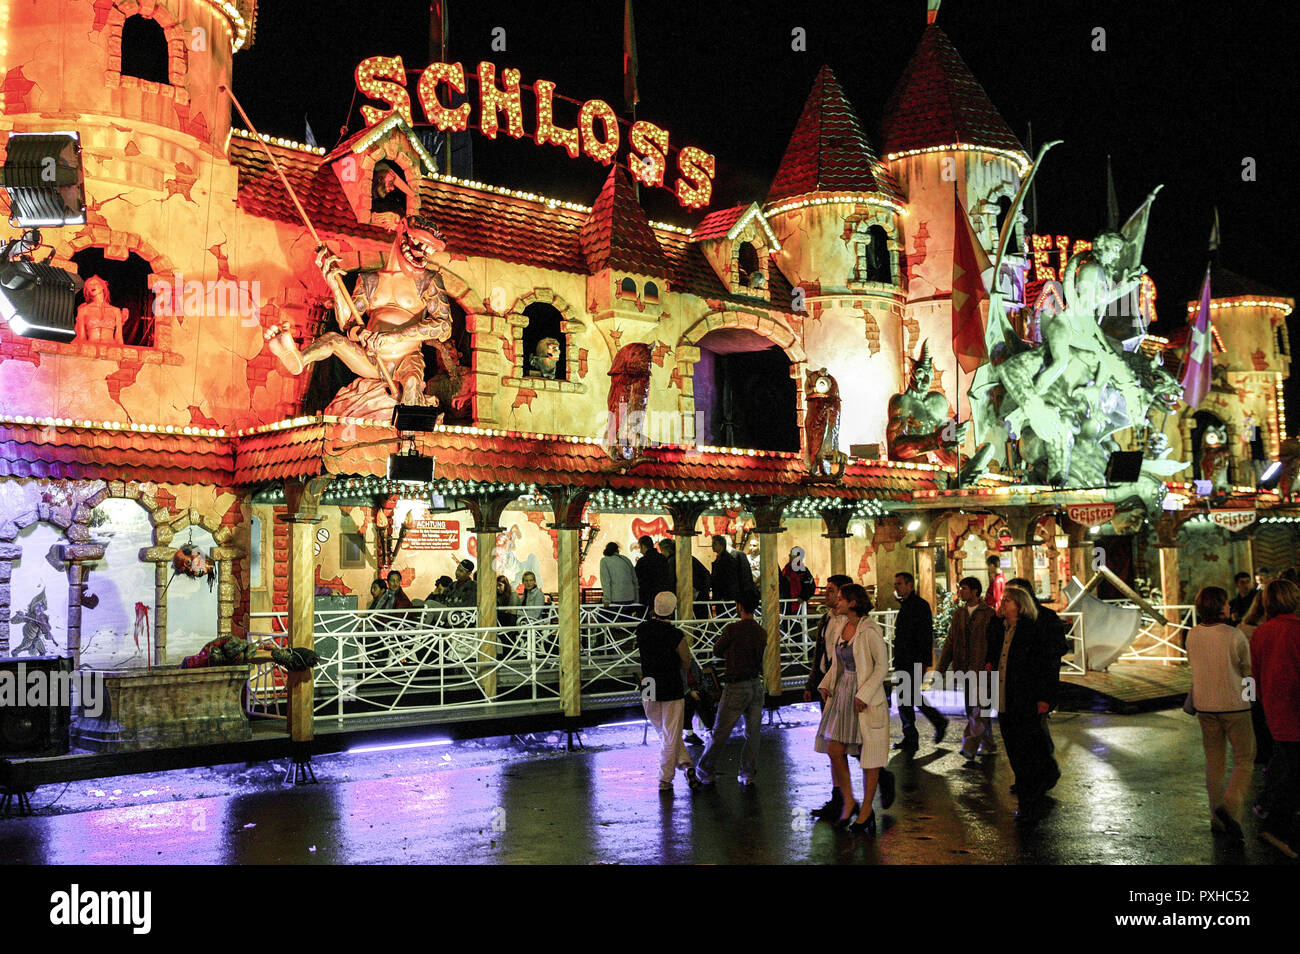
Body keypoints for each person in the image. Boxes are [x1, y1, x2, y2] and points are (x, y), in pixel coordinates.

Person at [815, 583, 895, 834]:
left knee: (869, 757)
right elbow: (836, 664)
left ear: (853, 602)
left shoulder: (870, 631)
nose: (836, 602)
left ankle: (865, 810)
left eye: (840, 599)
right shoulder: (841, 626)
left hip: (863, 698)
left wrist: (865, 694)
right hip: (843, 694)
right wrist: (826, 684)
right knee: (834, 748)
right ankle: (849, 800)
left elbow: (882, 666)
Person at [985, 585, 1066, 823]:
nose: (1003, 602)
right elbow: (994, 655)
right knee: (1012, 745)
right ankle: (1028, 783)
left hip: (1025, 697)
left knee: (1027, 747)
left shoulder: (1032, 631)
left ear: (1020, 605)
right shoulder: (1000, 629)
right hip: (1003, 697)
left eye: (1008, 600)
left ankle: (1030, 797)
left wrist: (1045, 698)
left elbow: (1045, 666)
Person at [1184, 586, 1254, 842]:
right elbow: (1247, 670)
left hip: (1205, 706)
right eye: (1225, 603)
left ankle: (1216, 818)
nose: (1229, 607)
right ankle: (1229, 806)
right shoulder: (1234, 635)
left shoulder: (1192, 634)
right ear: (1219, 606)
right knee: (1245, 758)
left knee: (1214, 761)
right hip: (1235, 704)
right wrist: (1252, 699)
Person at [1248, 578, 1300, 858]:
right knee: (1294, 773)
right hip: (1295, 711)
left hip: (1275, 712)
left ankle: (1269, 811)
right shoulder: (1297, 631)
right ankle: (1276, 828)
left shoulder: (1262, 633)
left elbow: (1255, 677)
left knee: (1286, 765)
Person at [695, 591, 767, 787]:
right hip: (755, 684)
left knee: (720, 731)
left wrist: (732, 654)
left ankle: (705, 770)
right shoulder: (761, 631)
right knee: (753, 733)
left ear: (739, 606)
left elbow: (717, 650)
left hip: (736, 685)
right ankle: (747, 773)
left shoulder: (732, 629)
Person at [635, 592, 700, 792]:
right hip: (671, 684)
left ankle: (686, 765)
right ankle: (665, 778)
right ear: (672, 610)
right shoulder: (675, 634)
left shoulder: (642, 629)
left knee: (663, 731)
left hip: (648, 683)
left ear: (654, 607)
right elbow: (686, 661)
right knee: (670, 733)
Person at [935, 576, 996, 762]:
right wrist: (941, 668)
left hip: (983, 668)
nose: (960, 591)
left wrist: (991, 664)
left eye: (964, 588)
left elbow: (994, 642)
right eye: (960, 588)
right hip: (965, 668)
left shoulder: (989, 614)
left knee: (981, 708)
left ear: (975, 591)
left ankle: (969, 745)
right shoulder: (959, 614)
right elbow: (950, 642)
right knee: (974, 708)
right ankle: (988, 744)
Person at [892, 571, 947, 752]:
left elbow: (925, 636)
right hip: (903, 659)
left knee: (909, 697)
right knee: (905, 697)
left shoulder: (919, 606)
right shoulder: (906, 605)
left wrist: (924, 662)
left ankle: (931, 725)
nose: (896, 587)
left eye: (900, 584)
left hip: (913, 660)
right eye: (896, 584)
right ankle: (914, 735)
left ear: (909, 585)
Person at [710, 535, 753, 613]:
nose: (712, 546)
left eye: (714, 543)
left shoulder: (734, 557)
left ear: (722, 544)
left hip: (729, 597)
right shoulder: (719, 559)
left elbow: (740, 577)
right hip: (721, 598)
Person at [635, 536, 673, 617]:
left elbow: (637, 579)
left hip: (647, 599)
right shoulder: (663, 558)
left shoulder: (642, 561)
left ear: (643, 546)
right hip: (662, 597)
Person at [599, 541, 638, 608]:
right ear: (617, 550)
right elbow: (634, 580)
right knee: (626, 618)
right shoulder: (626, 559)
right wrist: (636, 599)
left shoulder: (604, 561)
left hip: (616, 599)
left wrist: (606, 600)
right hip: (630, 598)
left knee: (604, 618)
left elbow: (606, 582)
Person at [779, 546, 817, 616]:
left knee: (796, 624)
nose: (790, 556)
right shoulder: (786, 569)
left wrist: (803, 597)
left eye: (792, 554)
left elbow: (810, 586)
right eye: (790, 554)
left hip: (796, 604)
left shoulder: (803, 570)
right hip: (785, 603)